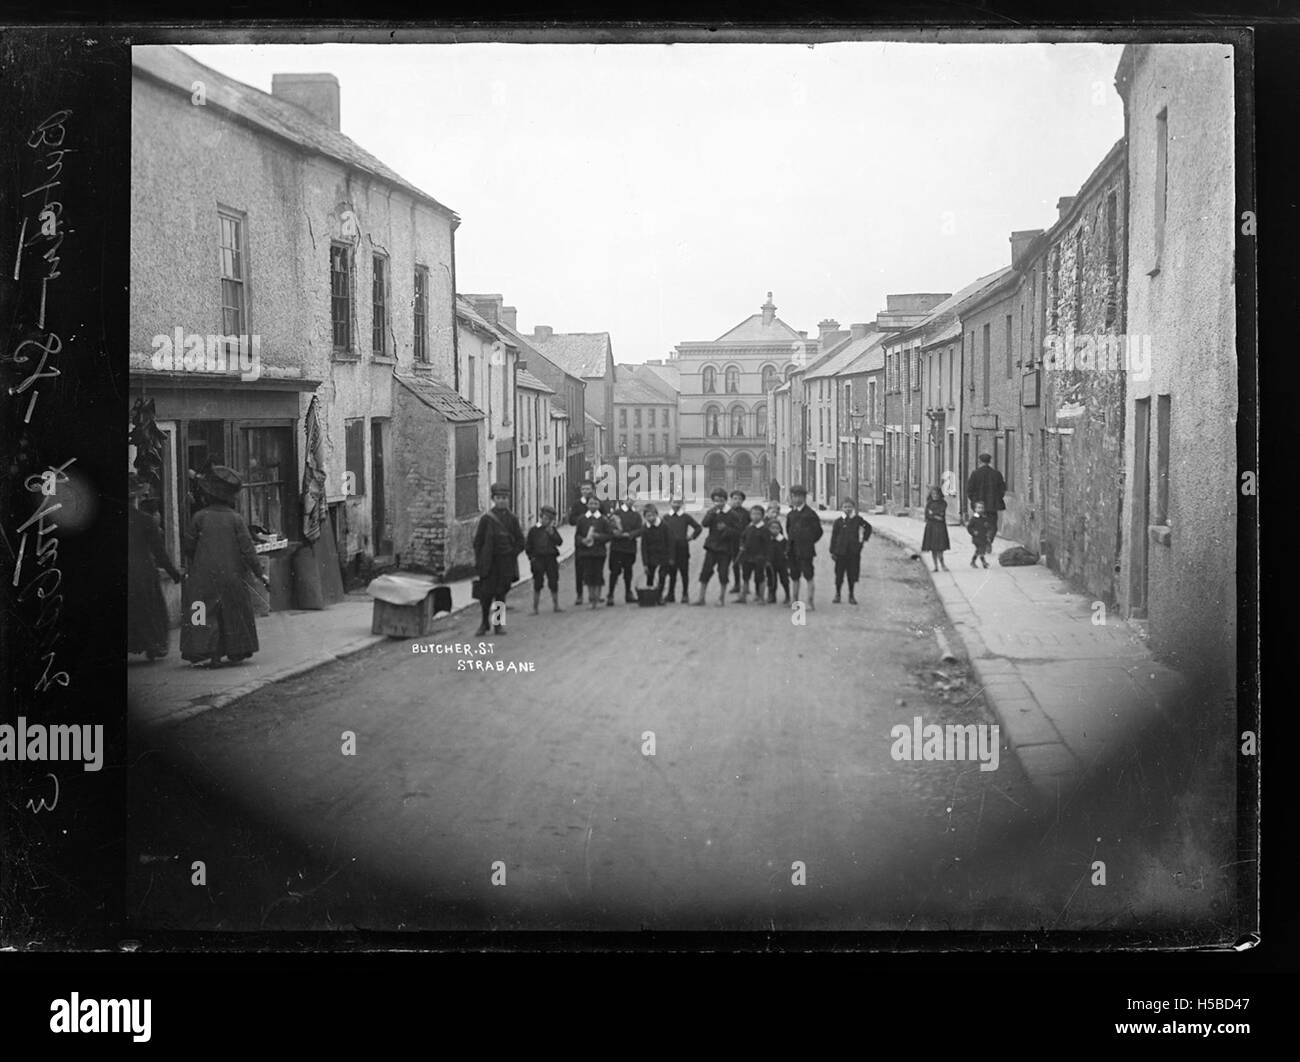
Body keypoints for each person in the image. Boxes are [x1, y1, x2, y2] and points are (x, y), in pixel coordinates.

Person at [180, 466, 267, 668]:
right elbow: (248, 550)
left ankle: (202, 649)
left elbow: (189, 547)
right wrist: (260, 573)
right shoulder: (236, 519)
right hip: (232, 575)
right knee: (233, 612)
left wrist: (196, 564)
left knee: (200, 611)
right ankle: (235, 649)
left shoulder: (199, 517)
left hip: (202, 577)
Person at [128, 473, 181, 660]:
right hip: (143, 572)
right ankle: (153, 646)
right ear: (136, 497)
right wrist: (175, 574)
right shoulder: (145, 520)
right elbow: (160, 554)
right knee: (150, 612)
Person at [473, 483, 526, 635]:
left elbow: (520, 542)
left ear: (508, 499)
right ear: (493, 499)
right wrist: (480, 560)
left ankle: (498, 624)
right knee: (485, 595)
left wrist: (511, 553)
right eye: (498, 498)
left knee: (501, 593)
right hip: (489, 563)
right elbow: (478, 542)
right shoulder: (486, 519)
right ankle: (484, 623)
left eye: (504, 498)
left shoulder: (512, 519)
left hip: (505, 563)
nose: (502, 501)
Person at [567, 479, 610, 605]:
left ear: (592, 489)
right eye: (583, 489)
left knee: (597, 569)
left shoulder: (599, 503)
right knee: (580, 570)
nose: (585, 491)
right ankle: (579, 595)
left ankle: (597, 594)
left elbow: (605, 518)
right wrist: (584, 518)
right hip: (582, 541)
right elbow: (571, 520)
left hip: (596, 542)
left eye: (588, 489)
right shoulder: (577, 505)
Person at [695, 488, 735, 607]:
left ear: (726, 500)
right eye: (716, 501)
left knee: (723, 573)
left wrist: (726, 529)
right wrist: (712, 513)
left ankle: (721, 598)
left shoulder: (732, 514)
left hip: (725, 548)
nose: (719, 503)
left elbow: (738, 531)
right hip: (712, 547)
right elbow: (704, 524)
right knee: (705, 572)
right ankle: (701, 598)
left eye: (721, 500)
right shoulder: (712, 512)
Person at [785, 484, 823, 611]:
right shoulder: (791, 514)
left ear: (804, 497)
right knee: (794, 576)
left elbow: (818, 531)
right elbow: (788, 530)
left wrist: (808, 541)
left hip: (806, 551)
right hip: (793, 550)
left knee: (808, 575)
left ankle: (810, 602)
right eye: (794, 496)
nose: (796, 499)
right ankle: (794, 600)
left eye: (799, 496)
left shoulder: (810, 514)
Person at [829, 498, 872, 604]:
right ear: (842, 508)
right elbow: (834, 537)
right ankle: (837, 594)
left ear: (853, 508)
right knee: (839, 574)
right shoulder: (838, 521)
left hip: (853, 552)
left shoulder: (857, 519)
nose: (847, 509)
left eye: (849, 507)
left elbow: (868, 528)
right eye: (845, 507)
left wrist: (863, 541)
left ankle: (851, 595)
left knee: (852, 574)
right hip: (840, 552)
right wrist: (832, 551)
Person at [660, 495, 701, 604]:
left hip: (682, 547)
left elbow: (698, 527)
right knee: (671, 572)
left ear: (682, 503)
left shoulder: (685, 517)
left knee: (684, 572)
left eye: (679, 502)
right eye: (674, 502)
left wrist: (691, 537)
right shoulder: (666, 518)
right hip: (670, 549)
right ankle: (670, 595)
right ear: (670, 503)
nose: (676, 505)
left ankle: (685, 594)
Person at [573, 495, 612, 609]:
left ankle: (597, 597)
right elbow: (577, 535)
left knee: (598, 574)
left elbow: (609, 535)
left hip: (599, 552)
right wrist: (582, 541)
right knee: (588, 575)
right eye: (591, 503)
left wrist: (598, 536)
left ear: (599, 505)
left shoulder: (603, 519)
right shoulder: (582, 519)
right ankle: (591, 597)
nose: (593, 506)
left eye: (595, 504)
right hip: (586, 552)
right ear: (587, 505)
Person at [525, 505, 564, 614]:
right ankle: (535, 608)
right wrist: (531, 558)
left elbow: (559, 542)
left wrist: (552, 533)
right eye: (544, 518)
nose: (545, 521)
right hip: (538, 559)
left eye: (549, 519)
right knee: (537, 583)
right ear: (540, 517)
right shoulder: (534, 530)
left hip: (551, 559)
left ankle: (556, 605)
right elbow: (528, 546)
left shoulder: (552, 530)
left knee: (553, 581)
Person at [606, 493, 643, 605]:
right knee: (614, 571)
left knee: (628, 571)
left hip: (629, 547)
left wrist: (630, 534)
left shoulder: (636, 515)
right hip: (617, 547)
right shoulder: (616, 513)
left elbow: (640, 530)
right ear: (623, 499)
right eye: (628, 498)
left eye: (632, 499)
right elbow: (609, 527)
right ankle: (610, 594)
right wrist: (615, 533)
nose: (630, 501)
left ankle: (628, 593)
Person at [966, 452, 1007, 540]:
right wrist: (997, 499)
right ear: (989, 461)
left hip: (979, 506)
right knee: (992, 524)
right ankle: (989, 538)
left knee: (978, 523)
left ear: (979, 461)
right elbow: (1002, 489)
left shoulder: (975, 474)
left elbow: (969, 490)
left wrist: (974, 501)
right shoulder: (996, 474)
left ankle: (983, 539)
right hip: (992, 505)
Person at [737, 504, 771, 605]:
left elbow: (768, 544)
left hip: (759, 557)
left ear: (762, 516)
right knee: (745, 576)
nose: (755, 516)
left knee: (760, 577)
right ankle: (743, 596)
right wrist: (741, 546)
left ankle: (761, 597)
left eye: (758, 514)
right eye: (753, 514)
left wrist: (767, 558)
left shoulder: (764, 529)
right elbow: (742, 537)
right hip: (747, 556)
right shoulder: (748, 527)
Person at [640, 503, 672, 599]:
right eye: (648, 516)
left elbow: (670, 542)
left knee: (662, 576)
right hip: (651, 556)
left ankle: (659, 596)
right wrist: (645, 563)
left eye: (653, 515)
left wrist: (670, 557)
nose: (651, 518)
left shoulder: (664, 526)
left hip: (663, 555)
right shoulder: (645, 528)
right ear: (645, 517)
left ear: (657, 514)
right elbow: (643, 547)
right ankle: (650, 595)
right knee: (650, 575)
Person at [764, 507, 792, 605]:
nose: (774, 530)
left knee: (784, 580)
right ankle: (772, 595)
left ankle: (787, 595)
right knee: (771, 580)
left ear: (780, 529)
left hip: (782, 563)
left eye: (777, 528)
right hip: (770, 563)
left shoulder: (783, 540)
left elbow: (788, 551)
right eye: (772, 528)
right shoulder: (767, 540)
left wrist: (788, 562)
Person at [921, 485, 951, 572]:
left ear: (940, 494)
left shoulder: (943, 503)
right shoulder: (929, 503)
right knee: (933, 548)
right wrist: (934, 515)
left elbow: (941, 516)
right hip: (931, 527)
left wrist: (932, 514)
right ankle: (935, 566)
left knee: (940, 548)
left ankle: (943, 565)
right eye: (933, 494)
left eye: (936, 494)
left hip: (940, 527)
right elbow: (927, 516)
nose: (935, 496)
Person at [726, 489, 749, 595]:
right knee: (734, 564)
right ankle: (737, 584)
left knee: (745, 565)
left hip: (743, 542)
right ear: (731, 500)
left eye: (740, 499)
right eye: (735, 499)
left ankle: (746, 585)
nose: (737, 501)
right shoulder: (727, 512)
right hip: (731, 541)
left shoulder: (746, 513)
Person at [967, 501, 995, 569]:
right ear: (975, 509)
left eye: (982, 508)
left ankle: (973, 561)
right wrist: (973, 532)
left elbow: (988, 526)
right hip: (977, 538)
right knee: (981, 550)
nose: (980, 509)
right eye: (979, 508)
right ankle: (984, 562)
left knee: (978, 550)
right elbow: (969, 527)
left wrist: (988, 532)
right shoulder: (974, 518)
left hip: (983, 537)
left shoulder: (984, 518)